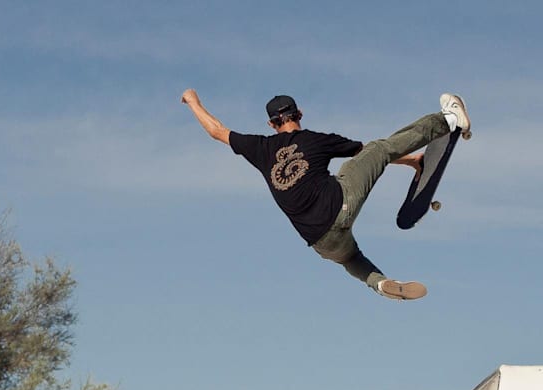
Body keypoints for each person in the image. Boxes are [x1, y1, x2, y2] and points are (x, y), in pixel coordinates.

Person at [180, 89, 470, 299]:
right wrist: (408, 161)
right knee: (377, 149)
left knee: (350, 258)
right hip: (338, 205)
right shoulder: (317, 140)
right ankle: (448, 120)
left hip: (319, 242)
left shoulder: (259, 148)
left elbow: (217, 131)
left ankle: (380, 284)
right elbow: (371, 152)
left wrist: (193, 101)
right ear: (300, 115)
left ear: (271, 124)